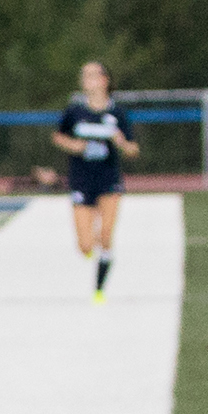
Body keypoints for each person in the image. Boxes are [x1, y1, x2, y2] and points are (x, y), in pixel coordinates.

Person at [52, 61, 139, 302]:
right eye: (84, 75)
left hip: (108, 179)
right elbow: (58, 136)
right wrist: (74, 146)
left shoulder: (117, 113)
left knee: (106, 235)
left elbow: (133, 149)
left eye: (91, 75)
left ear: (104, 80)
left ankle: (99, 287)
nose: (86, 79)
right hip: (81, 180)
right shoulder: (75, 111)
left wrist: (122, 143)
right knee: (85, 245)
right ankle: (94, 255)